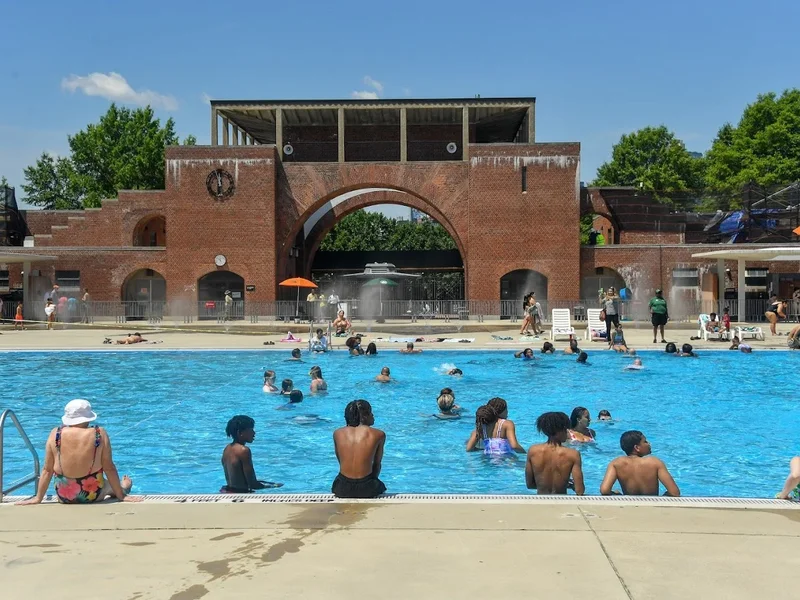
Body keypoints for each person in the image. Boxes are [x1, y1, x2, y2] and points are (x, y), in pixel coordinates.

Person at [16, 399, 139, 505]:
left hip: (64, 496)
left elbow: (47, 470)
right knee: (113, 487)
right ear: (88, 417)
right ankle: (124, 488)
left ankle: (120, 488)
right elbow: (109, 468)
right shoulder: (99, 433)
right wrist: (122, 496)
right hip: (92, 494)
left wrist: (38, 498)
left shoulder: (56, 434)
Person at [331, 400, 386, 498]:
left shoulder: (337, 433)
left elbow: (341, 461)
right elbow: (377, 465)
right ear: (364, 416)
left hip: (343, 488)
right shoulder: (378, 434)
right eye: (370, 412)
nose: (373, 415)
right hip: (366, 488)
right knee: (381, 487)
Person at [599, 430, 680, 496]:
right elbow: (675, 492)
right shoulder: (655, 462)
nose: (649, 444)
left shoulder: (616, 463)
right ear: (637, 447)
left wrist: (617, 494)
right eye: (645, 441)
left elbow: (604, 490)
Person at [525, 411, 585, 495]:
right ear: (559, 431)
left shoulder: (533, 451)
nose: (568, 432)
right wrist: (569, 485)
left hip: (540, 502)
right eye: (566, 429)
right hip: (562, 503)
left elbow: (530, 485)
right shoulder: (573, 454)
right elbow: (580, 490)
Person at [220, 415, 282, 493]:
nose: (254, 433)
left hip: (227, 491)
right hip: (241, 494)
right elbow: (252, 484)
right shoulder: (243, 451)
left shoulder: (227, 448)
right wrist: (274, 486)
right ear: (240, 432)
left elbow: (240, 479)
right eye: (251, 430)